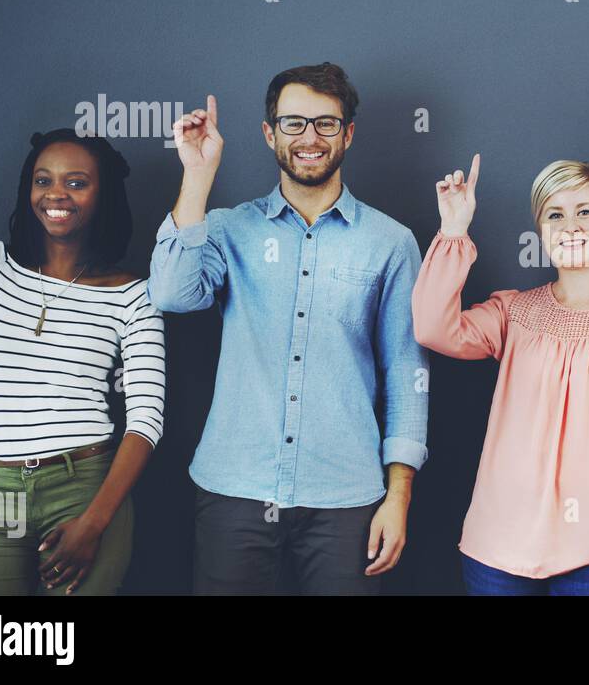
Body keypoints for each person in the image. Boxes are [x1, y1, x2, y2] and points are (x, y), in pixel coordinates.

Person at [147, 62, 428, 595]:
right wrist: (197, 176)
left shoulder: (391, 242)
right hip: (235, 491)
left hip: (346, 500)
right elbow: (170, 294)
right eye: (293, 123)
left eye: (326, 123)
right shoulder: (228, 228)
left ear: (347, 133)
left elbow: (407, 373)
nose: (309, 138)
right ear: (268, 132)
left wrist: (398, 497)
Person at [0, 66, 166, 596]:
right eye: (44, 179)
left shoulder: (132, 293)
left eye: (76, 182)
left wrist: (95, 523)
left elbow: (146, 419)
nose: (56, 194)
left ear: (102, 195)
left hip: (86, 486)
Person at [412, 156, 589, 595]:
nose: (570, 226)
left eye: (585, 211)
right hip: (498, 548)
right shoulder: (515, 311)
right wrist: (454, 231)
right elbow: (432, 327)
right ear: (540, 229)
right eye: (555, 214)